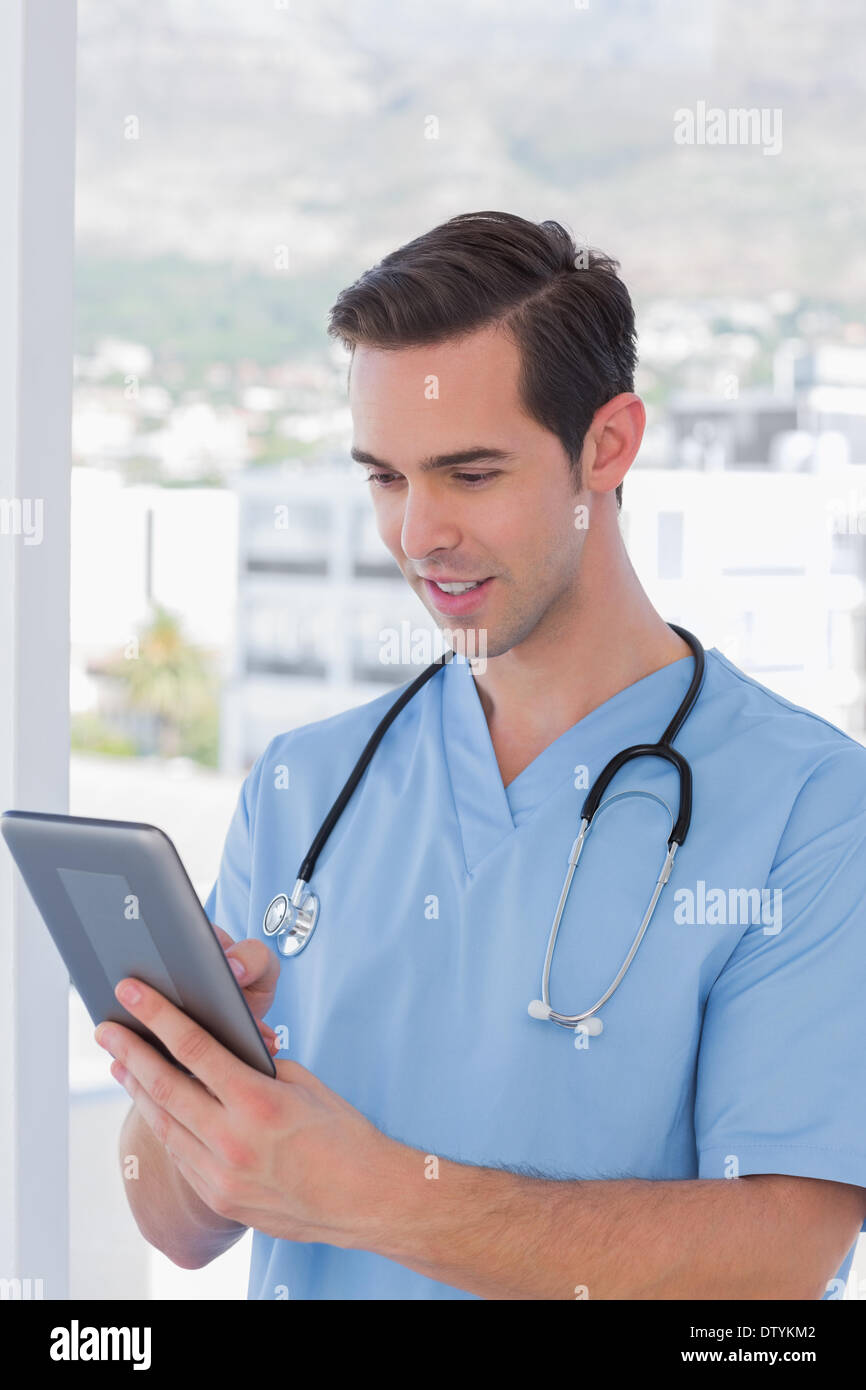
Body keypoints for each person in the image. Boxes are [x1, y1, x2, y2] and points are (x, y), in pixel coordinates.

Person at [108, 211, 866, 1300]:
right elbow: (174, 1228)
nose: (418, 535)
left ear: (605, 447)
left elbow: (775, 1262)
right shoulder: (306, 785)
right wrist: (183, 1092)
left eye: (468, 475)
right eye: (384, 478)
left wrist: (360, 1189)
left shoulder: (807, 806)